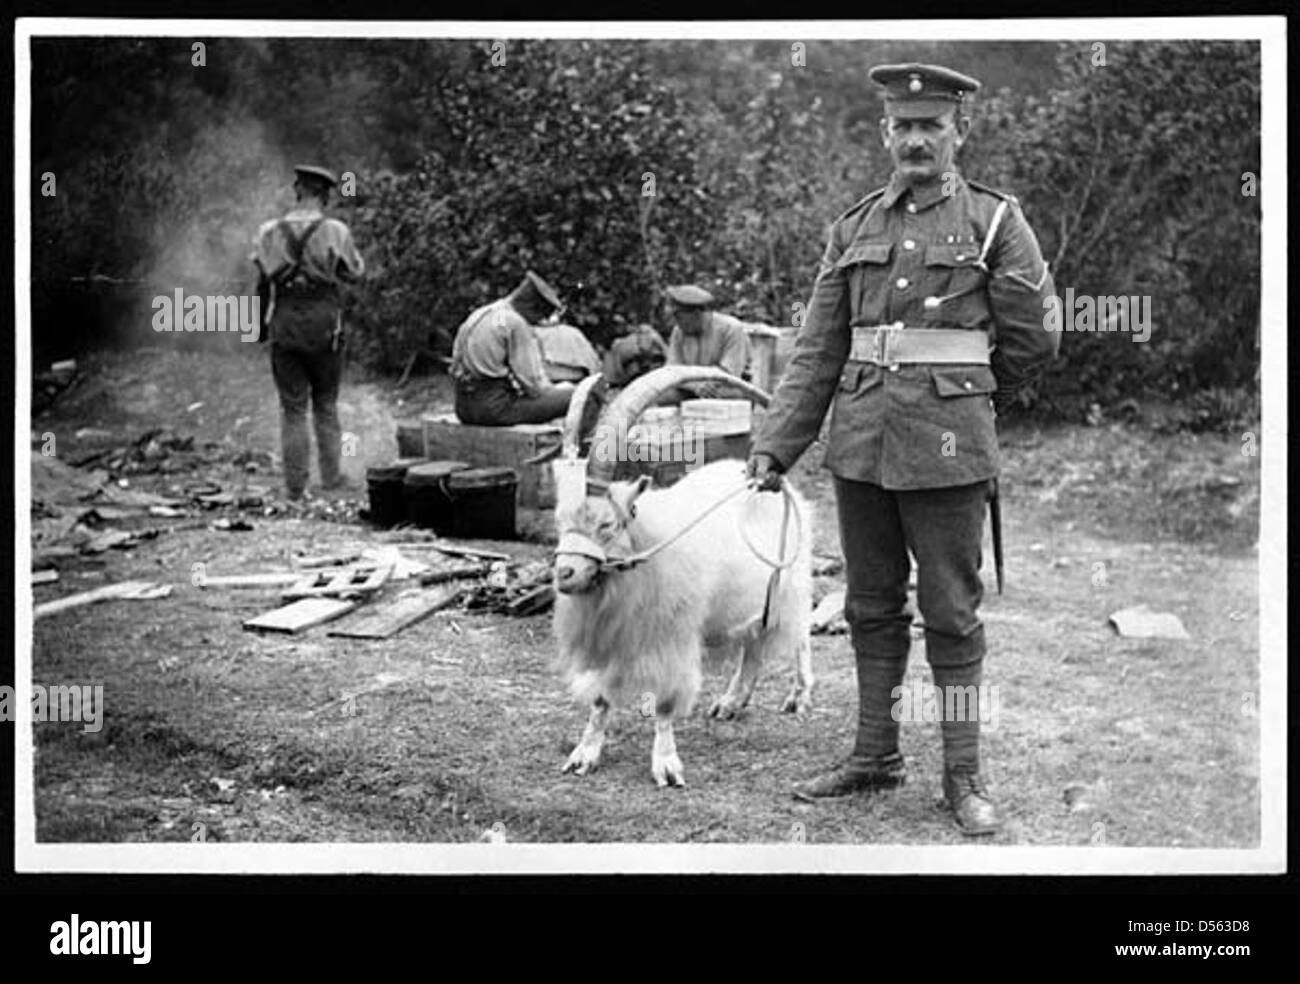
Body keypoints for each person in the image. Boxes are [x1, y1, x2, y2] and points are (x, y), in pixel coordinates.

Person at [746, 63, 1060, 836]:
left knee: (951, 612)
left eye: (932, 126)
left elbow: (1035, 337)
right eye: (903, 126)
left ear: (960, 133)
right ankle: (874, 754)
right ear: (886, 133)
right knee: (869, 607)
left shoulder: (993, 223)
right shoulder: (853, 229)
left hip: (949, 449)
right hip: (860, 446)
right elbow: (818, 349)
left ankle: (963, 775)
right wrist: (775, 447)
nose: (917, 139)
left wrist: (977, 395)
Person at [252, 164, 365, 500]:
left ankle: (295, 486)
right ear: (326, 195)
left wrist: (257, 326)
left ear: (297, 190)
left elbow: (260, 285)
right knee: (326, 404)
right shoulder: (335, 230)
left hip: (285, 320)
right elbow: (355, 273)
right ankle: (332, 477)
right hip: (324, 323)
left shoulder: (268, 231)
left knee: (292, 408)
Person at [450, 271, 575, 426]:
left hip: (463, 407)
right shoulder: (515, 323)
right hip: (493, 410)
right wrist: (562, 389)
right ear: (533, 307)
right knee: (576, 396)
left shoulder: (482, 312)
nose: (538, 322)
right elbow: (535, 387)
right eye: (539, 317)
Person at [662, 285, 753, 400]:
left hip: (726, 387)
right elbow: (672, 370)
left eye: (679, 317)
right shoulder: (678, 331)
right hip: (692, 388)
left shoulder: (732, 328)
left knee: (726, 395)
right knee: (663, 396)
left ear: (696, 313)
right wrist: (695, 386)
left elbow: (729, 373)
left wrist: (704, 385)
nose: (676, 322)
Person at [603, 322, 669, 386]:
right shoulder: (618, 345)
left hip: (635, 375)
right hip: (640, 372)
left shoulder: (617, 346)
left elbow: (615, 376)